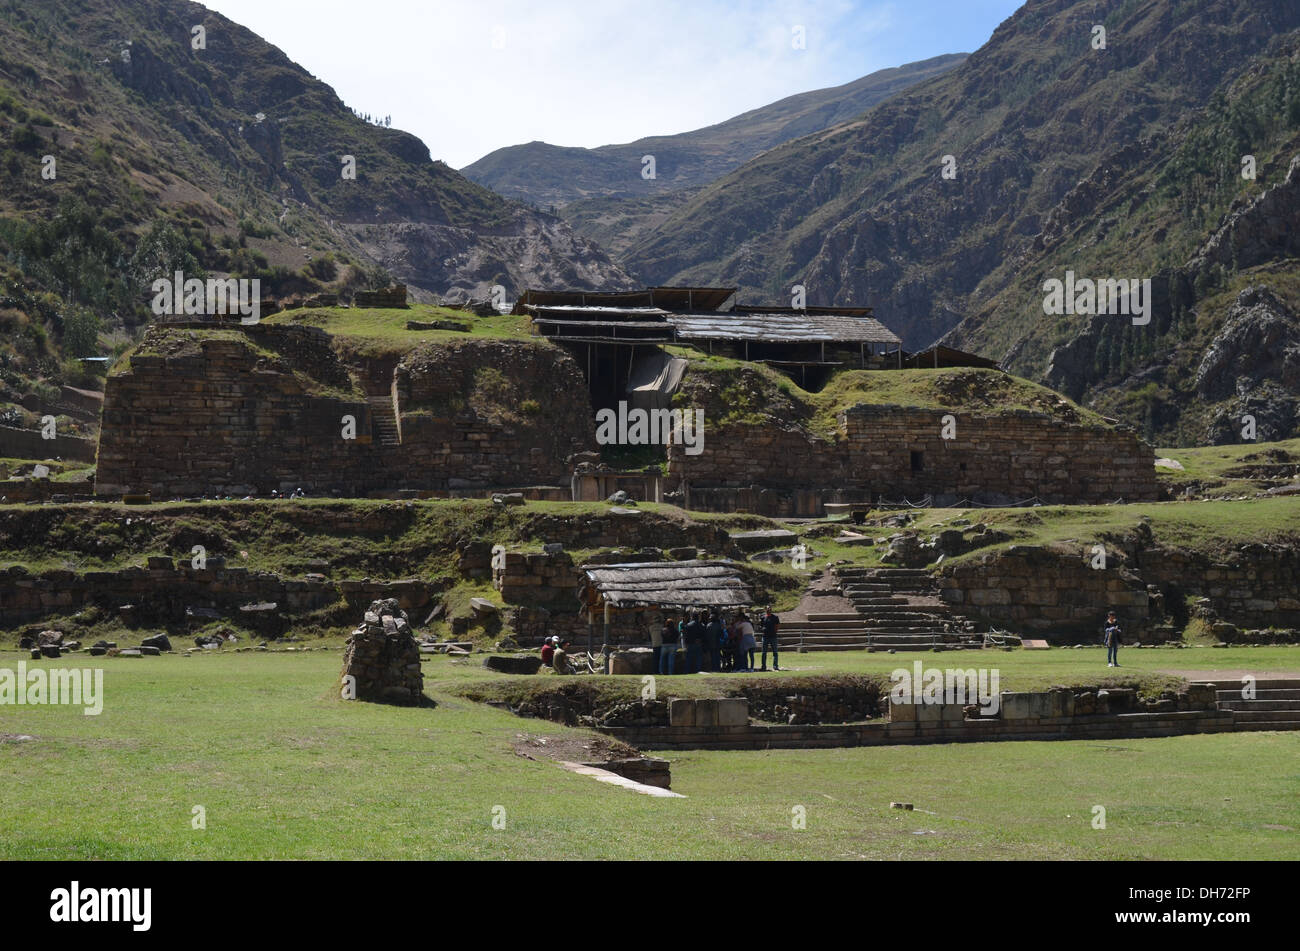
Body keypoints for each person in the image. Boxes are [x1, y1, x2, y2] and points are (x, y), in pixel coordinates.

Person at [760, 606, 781, 671]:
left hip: (773, 637)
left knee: (775, 652)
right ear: (765, 609)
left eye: (770, 608)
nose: (769, 610)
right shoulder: (763, 617)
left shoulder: (775, 617)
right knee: (764, 653)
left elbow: (777, 626)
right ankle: (763, 666)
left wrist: (774, 632)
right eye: (767, 609)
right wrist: (762, 629)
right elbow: (761, 625)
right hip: (765, 636)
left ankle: (775, 666)